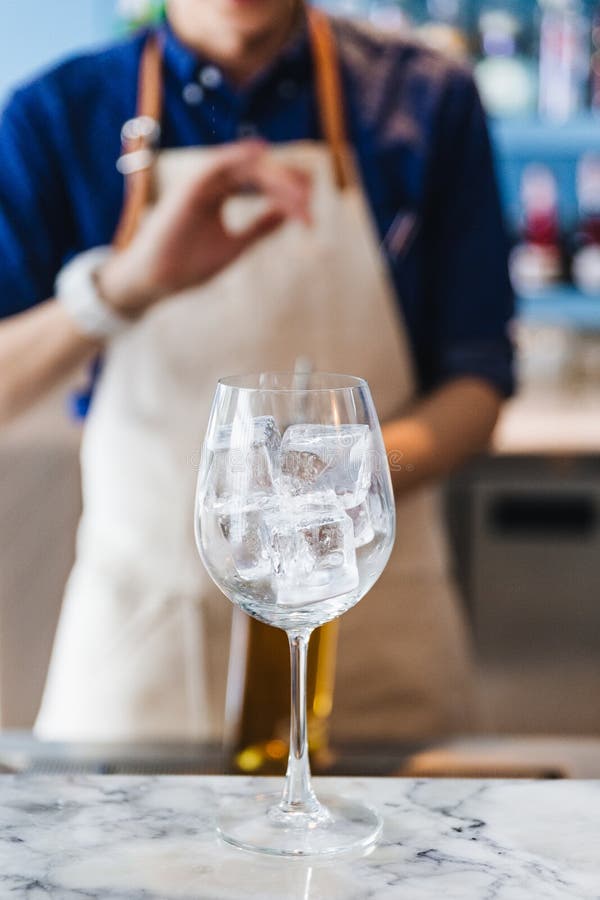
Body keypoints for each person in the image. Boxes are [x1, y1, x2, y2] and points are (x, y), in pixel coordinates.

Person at [0, 0, 513, 742]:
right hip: (146, 641)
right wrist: (125, 286)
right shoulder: (56, 115)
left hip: (375, 634)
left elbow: (478, 381)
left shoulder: (428, 99)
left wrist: (327, 491)